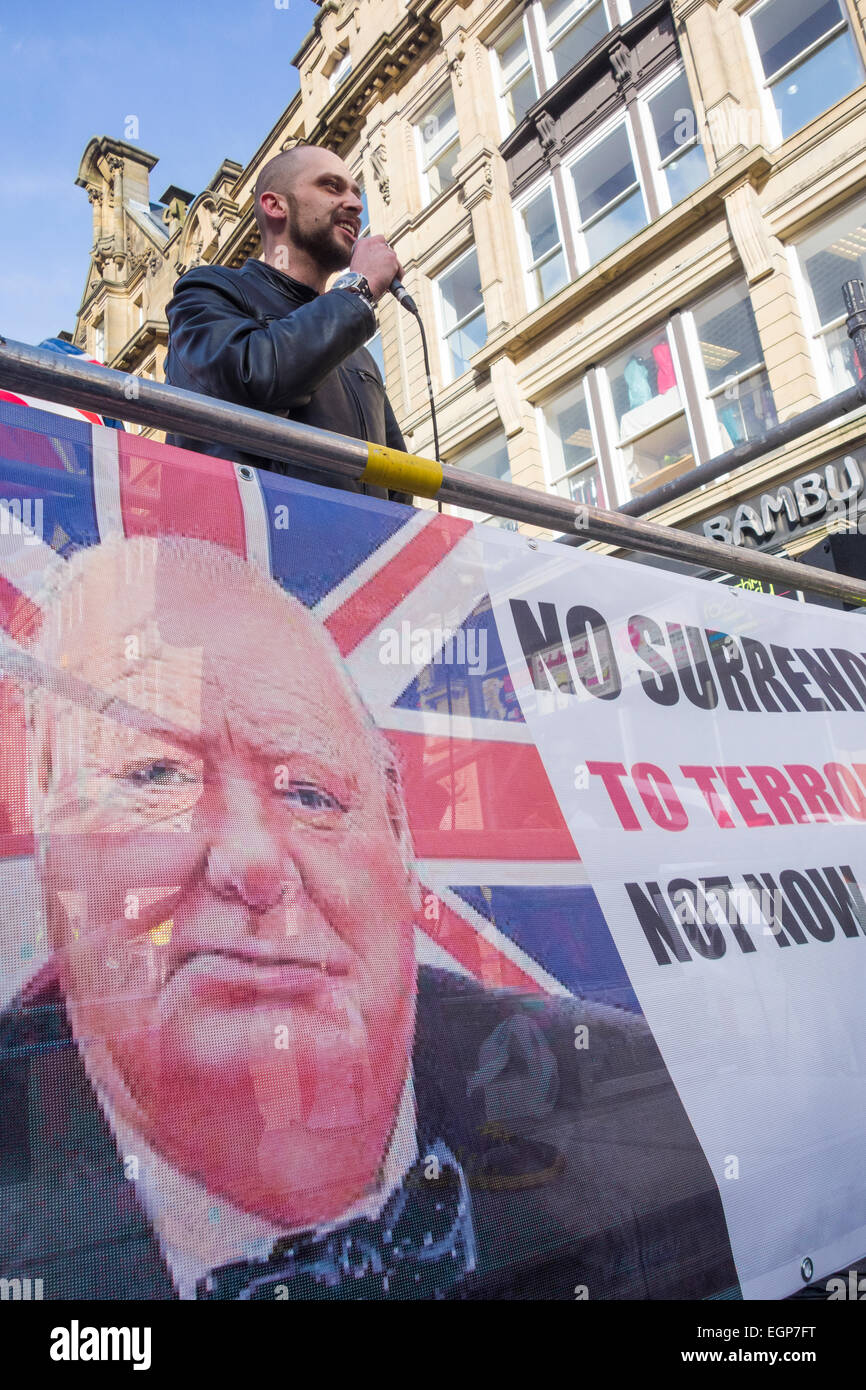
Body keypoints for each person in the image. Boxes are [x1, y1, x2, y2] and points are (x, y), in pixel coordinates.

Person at [0, 535, 739, 1299]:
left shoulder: (651, 1100)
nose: (255, 862)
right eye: (156, 775)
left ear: (401, 835)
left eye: (312, 794)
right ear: (44, 824)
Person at [163, 145, 413, 504]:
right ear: (275, 205)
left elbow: (396, 480)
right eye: (331, 187)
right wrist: (359, 288)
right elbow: (253, 376)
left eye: (357, 194)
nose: (356, 205)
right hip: (253, 550)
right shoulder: (208, 292)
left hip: (357, 553)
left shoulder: (357, 352)